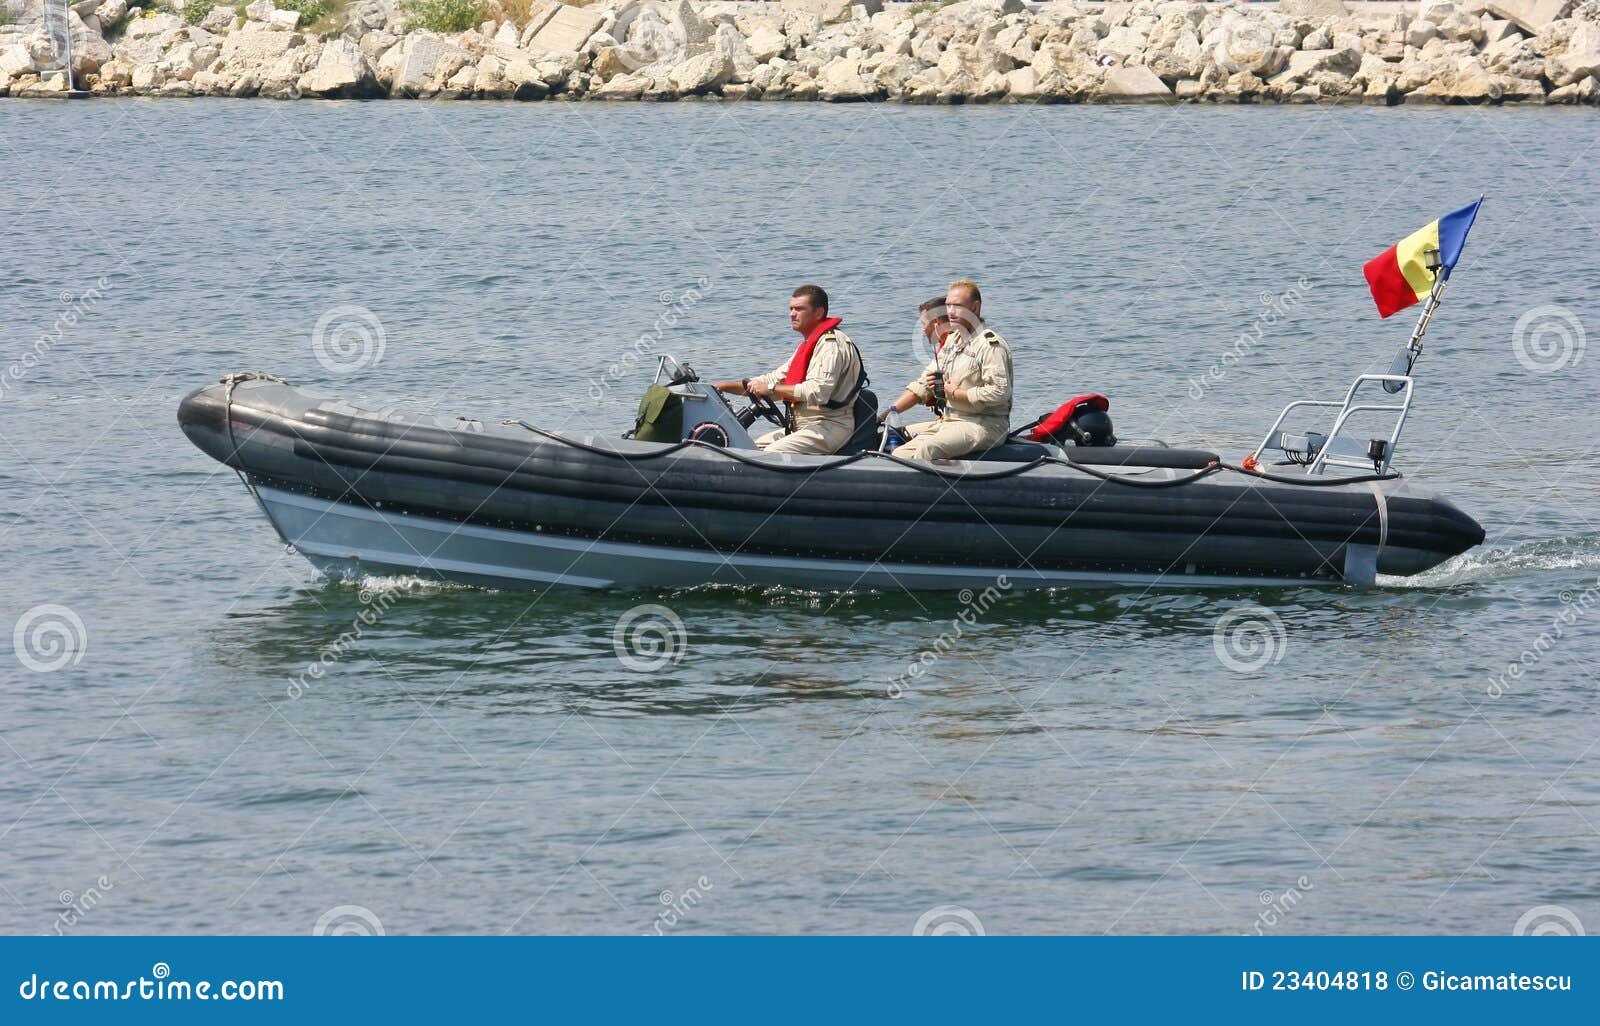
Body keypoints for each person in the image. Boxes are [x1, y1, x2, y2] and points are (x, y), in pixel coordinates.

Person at [716, 285, 863, 455]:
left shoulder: (831, 344)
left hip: (830, 426)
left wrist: (770, 389)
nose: (792, 314)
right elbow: (772, 379)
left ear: (818, 313)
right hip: (803, 427)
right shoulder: (808, 346)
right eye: (791, 309)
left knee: (768, 455)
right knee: (746, 448)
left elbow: (818, 391)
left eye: (799, 309)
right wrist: (721, 387)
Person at [879, 279, 1012, 461]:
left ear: (974, 308)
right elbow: (924, 384)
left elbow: (1000, 393)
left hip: (985, 424)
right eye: (948, 305)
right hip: (951, 420)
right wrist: (887, 414)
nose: (950, 311)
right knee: (900, 454)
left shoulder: (990, 345)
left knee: (930, 448)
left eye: (957, 306)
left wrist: (958, 394)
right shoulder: (952, 341)